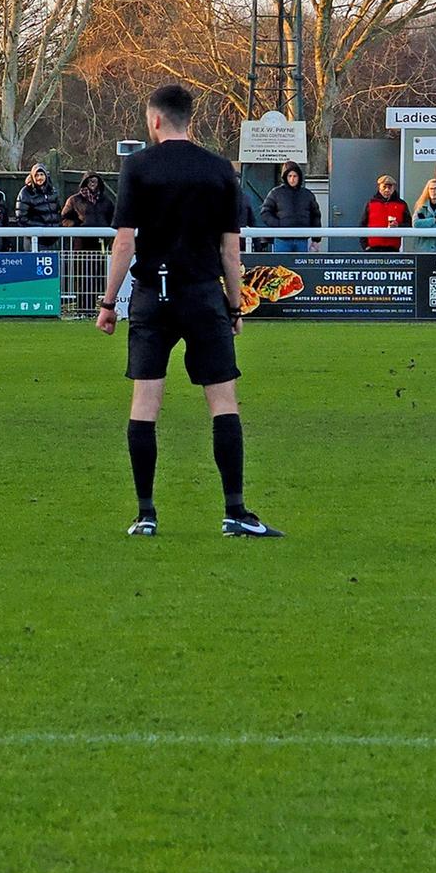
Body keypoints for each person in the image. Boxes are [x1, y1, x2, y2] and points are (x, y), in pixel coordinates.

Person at [96, 83, 279, 538]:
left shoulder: (137, 167)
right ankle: (234, 511)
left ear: (155, 119)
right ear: (188, 120)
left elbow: (124, 241)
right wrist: (235, 305)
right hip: (201, 295)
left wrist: (107, 302)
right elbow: (230, 249)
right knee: (222, 402)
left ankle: (145, 514)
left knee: (145, 402)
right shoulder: (218, 169)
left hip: (151, 295)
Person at [255, 163, 318, 254]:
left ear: (299, 177)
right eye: (290, 176)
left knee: (300, 267)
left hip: (301, 239)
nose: (292, 179)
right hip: (282, 239)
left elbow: (315, 216)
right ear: (285, 177)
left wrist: (316, 239)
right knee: (281, 266)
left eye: (295, 176)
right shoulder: (276, 193)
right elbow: (265, 212)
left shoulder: (307, 194)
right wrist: (279, 225)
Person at [362, 176, 409, 251]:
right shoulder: (371, 203)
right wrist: (365, 246)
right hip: (373, 248)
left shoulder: (401, 204)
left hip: (392, 248)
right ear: (379, 187)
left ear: (394, 188)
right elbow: (363, 224)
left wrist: (398, 225)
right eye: (384, 187)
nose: (387, 190)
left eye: (390, 187)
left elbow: (408, 224)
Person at [15, 165, 59, 231]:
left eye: (41, 174)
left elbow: (58, 211)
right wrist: (40, 228)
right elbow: (21, 218)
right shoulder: (25, 192)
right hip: (33, 235)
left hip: (53, 234)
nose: (39, 177)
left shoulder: (52, 191)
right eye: (36, 175)